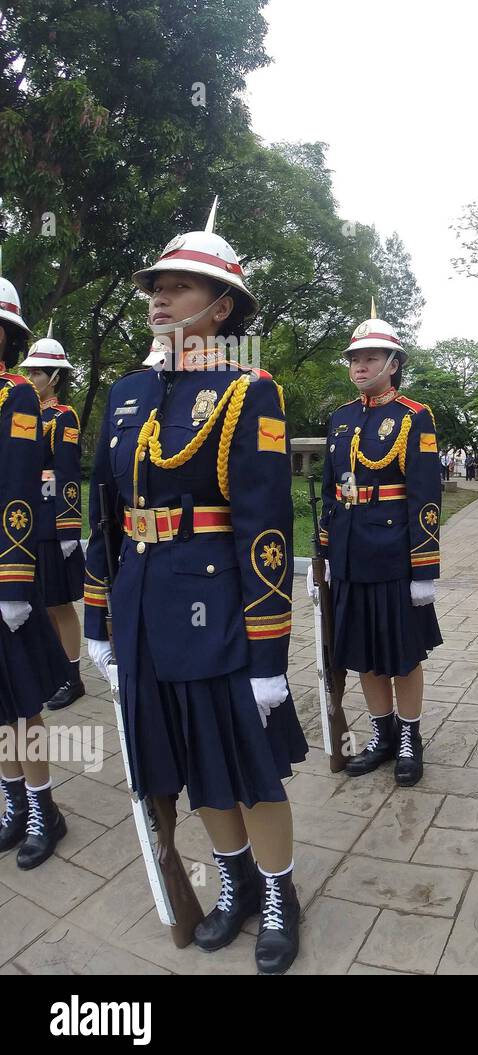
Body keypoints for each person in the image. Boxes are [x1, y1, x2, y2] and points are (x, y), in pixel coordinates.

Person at [83, 203, 306, 974]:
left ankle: (279, 890)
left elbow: (266, 526)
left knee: (245, 764)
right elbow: (102, 515)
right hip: (143, 605)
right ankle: (236, 880)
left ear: (221, 309)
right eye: (157, 284)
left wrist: (271, 648)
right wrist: (98, 618)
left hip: (215, 612)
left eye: (181, 287)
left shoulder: (249, 392)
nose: (159, 298)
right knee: (188, 758)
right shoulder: (124, 396)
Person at [318, 305, 442, 786]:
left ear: (394, 363)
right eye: (354, 359)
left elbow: (425, 494)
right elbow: (330, 493)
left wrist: (424, 567)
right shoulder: (341, 418)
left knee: (403, 656)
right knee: (364, 653)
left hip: (393, 555)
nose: (360, 366)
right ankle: (382, 733)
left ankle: (410, 737)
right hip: (349, 554)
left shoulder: (414, 417)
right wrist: (325, 559)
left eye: (371, 357)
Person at [0, 271, 70, 869]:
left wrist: (14, 581)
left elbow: (19, 492)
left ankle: (43, 806)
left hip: (1, 571)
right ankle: (11, 799)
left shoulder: (16, 396)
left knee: (22, 703)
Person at [19, 323, 86, 710]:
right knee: (41, 602)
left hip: (52, 521)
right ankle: (52, 667)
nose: (31, 378)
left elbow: (68, 473)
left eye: (39, 372)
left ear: (56, 377)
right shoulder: (25, 411)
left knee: (59, 604)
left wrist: (68, 526)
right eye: (28, 371)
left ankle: (72, 676)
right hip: (28, 523)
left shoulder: (64, 418)